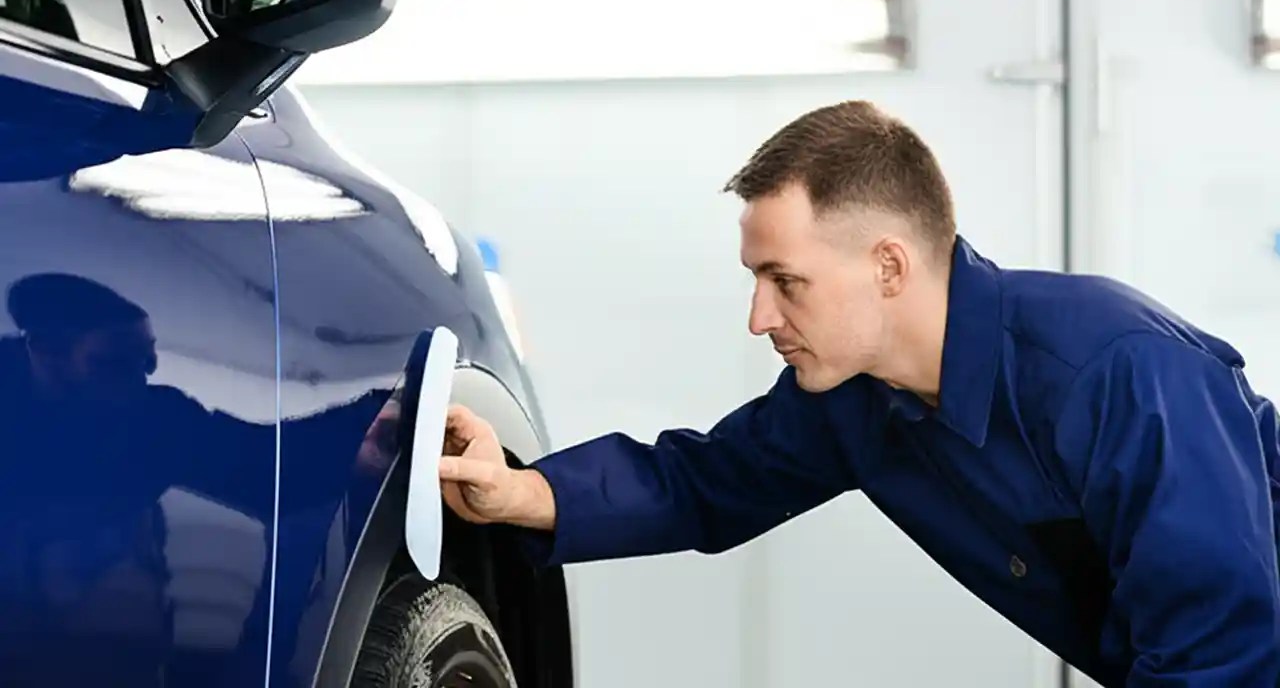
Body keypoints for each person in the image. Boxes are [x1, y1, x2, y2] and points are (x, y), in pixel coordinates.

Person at [436, 100, 1280, 686]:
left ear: (888, 266)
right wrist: (520, 489)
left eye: (785, 281)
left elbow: (1221, 652)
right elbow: (702, 483)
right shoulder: (854, 402)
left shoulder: (1114, 372)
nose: (760, 317)